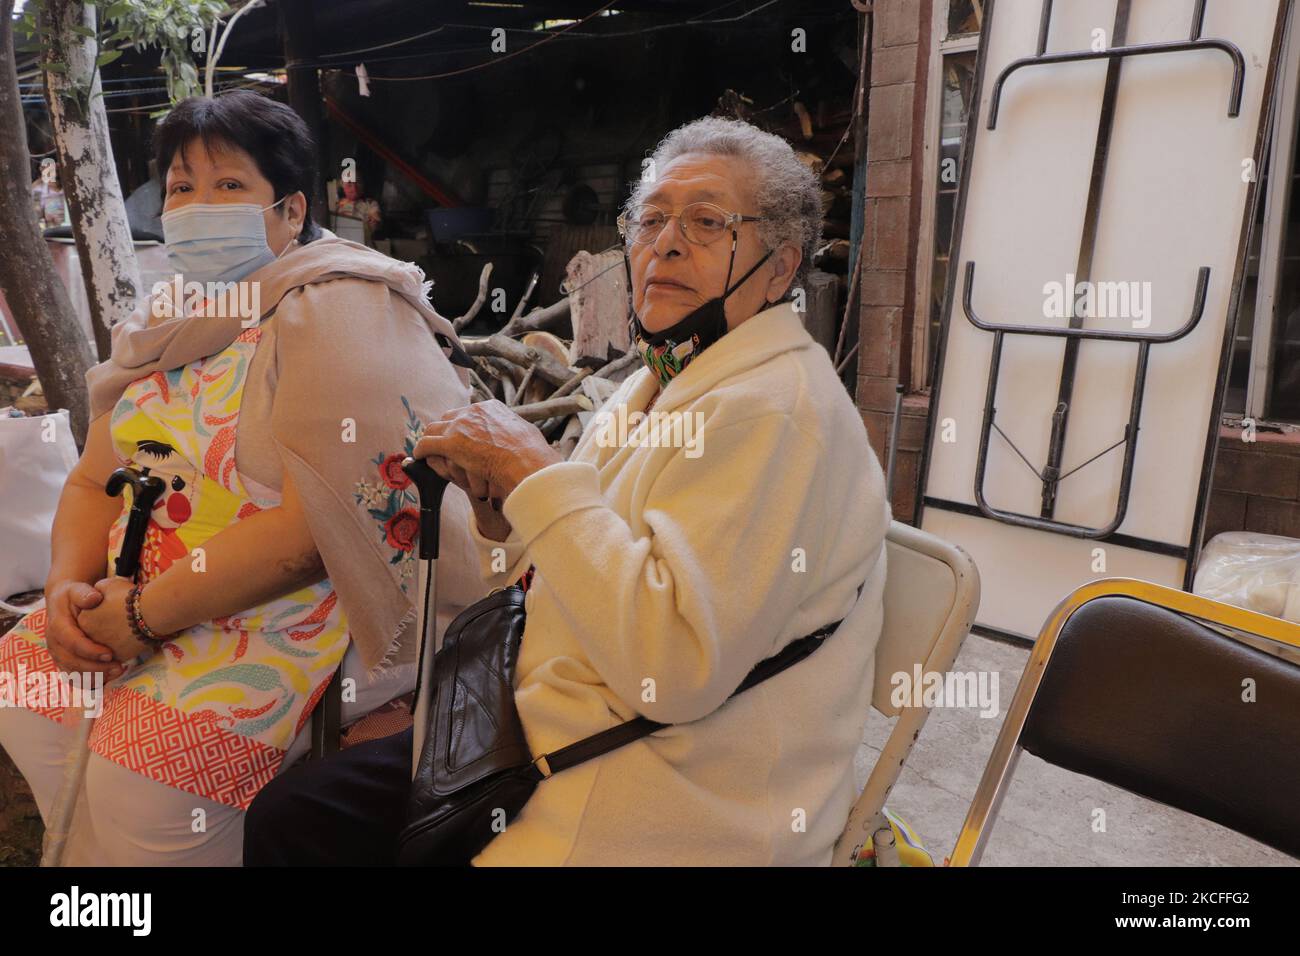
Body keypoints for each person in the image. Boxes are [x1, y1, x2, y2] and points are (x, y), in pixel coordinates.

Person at [244, 115, 891, 866]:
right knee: (296, 813)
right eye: (650, 219)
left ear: (780, 269)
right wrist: (500, 512)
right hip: (546, 722)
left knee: (311, 830)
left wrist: (533, 475)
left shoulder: (775, 412)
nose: (665, 243)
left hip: (668, 785)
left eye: (708, 222)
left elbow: (672, 670)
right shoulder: (659, 381)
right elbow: (562, 570)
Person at [0, 90, 480, 865]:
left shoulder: (338, 308)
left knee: (143, 778)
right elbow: (93, 482)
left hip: (290, 610)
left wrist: (142, 617)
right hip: (143, 595)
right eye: (181, 186)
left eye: (229, 185)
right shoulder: (172, 321)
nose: (198, 206)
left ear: (290, 211)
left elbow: (311, 533)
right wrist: (64, 593)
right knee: (27, 690)